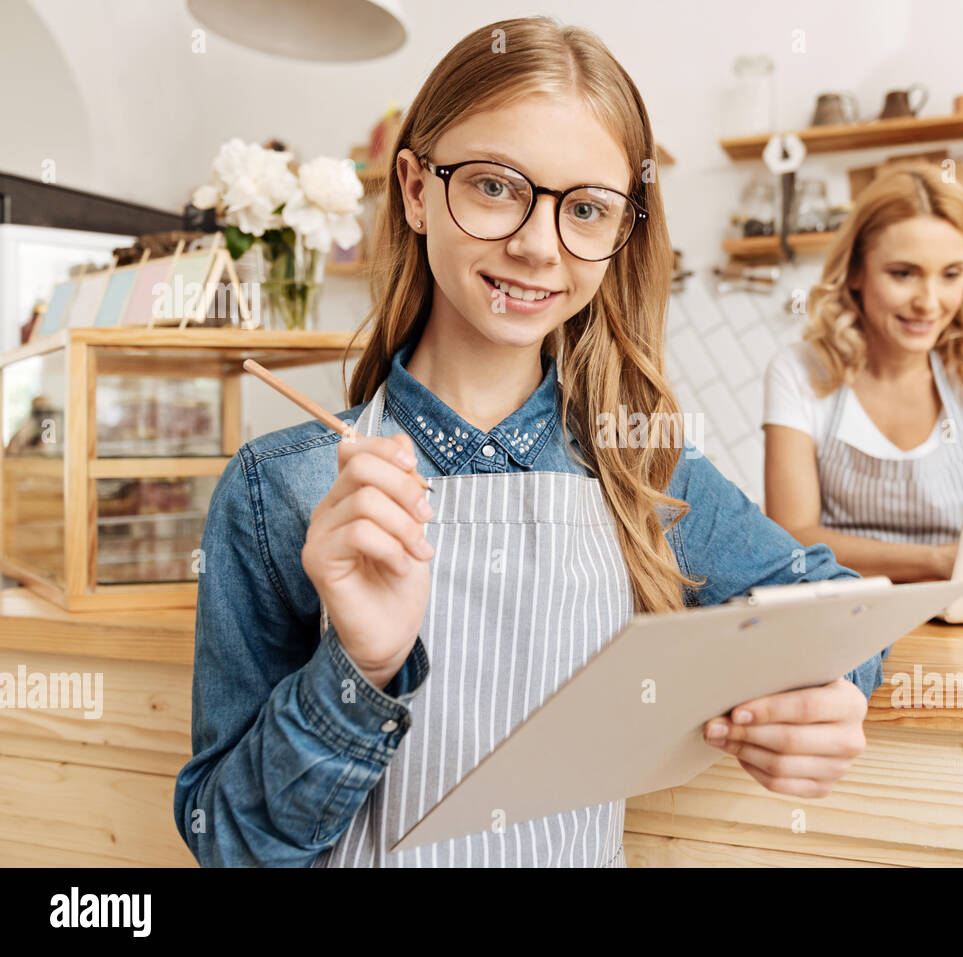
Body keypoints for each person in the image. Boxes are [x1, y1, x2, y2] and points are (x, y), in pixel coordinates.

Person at [174, 16, 879, 869]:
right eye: (496, 186)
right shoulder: (279, 488)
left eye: (586, 208)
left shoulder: (641, 467)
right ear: (414, 187)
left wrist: (835, 689)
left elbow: (840, 612)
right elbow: (229, 842)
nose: (539, 246)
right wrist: (358, 667)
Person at [763, 164, 963, 584]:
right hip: (845, 616)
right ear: (856, 272)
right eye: (903, 273)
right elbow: (793, 539)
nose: (928, 302)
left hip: (960, 612)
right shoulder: (799, 370)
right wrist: (937, 561)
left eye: (951, 275)